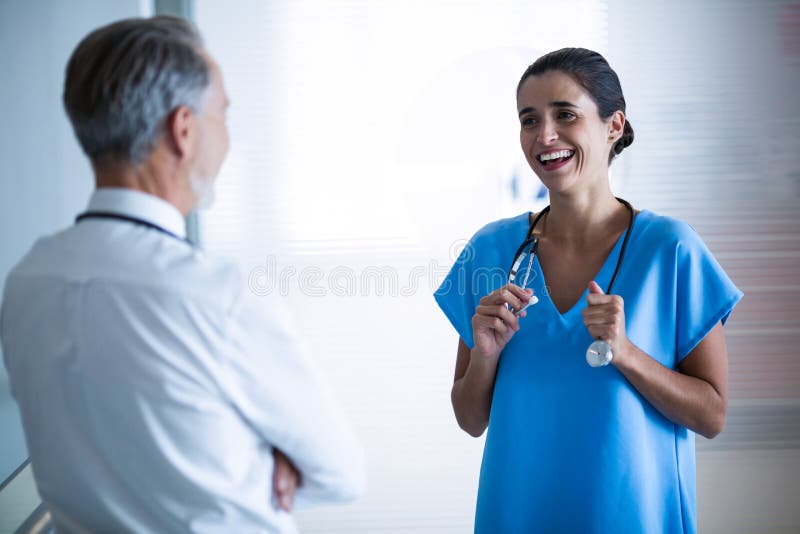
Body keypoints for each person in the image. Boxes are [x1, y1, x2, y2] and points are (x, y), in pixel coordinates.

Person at [0, 16, 364, 532]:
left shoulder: (25, 282)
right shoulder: (214, 296)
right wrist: (266, 462)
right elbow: (341, 472)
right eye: (223, 116)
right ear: (184, 130)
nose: (228, 138)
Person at [434, 48, 742, 533]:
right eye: (529, 120)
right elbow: (470, 419)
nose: (545, 136)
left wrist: (626, 354)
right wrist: (486, 355)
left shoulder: (671, 250)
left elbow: (712, 416)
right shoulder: (492, 251)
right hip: (516, 515)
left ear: (613, 125)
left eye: (565, 115)